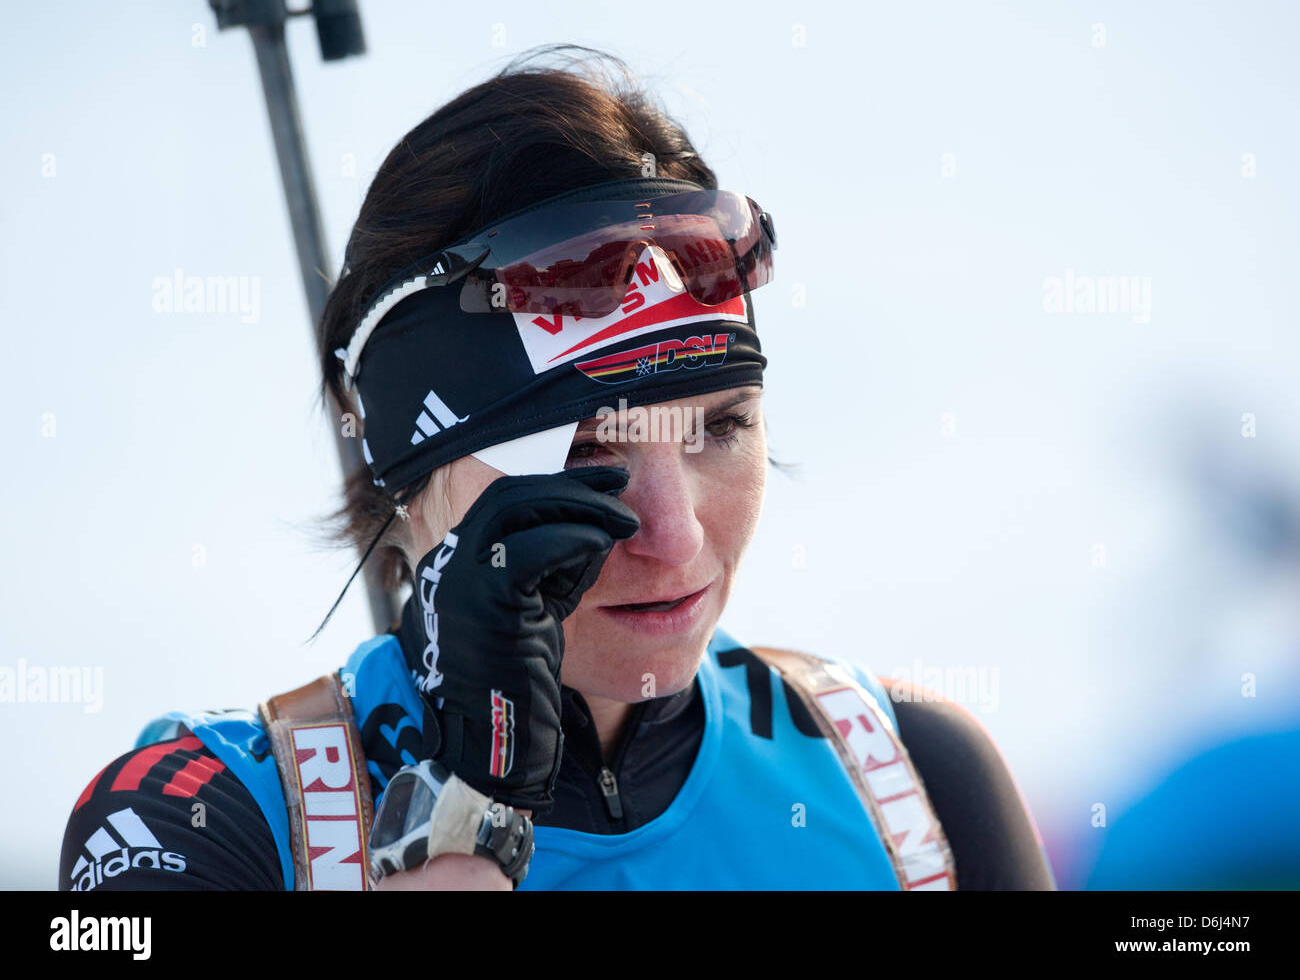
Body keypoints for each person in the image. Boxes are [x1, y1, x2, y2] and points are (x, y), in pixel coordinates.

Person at [60, 45, 1055, 892]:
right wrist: (467, 814)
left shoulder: (907, 777)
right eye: (587, 452)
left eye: (719, 427)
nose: (676, 538)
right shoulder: (194, 814)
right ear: (410, 475)